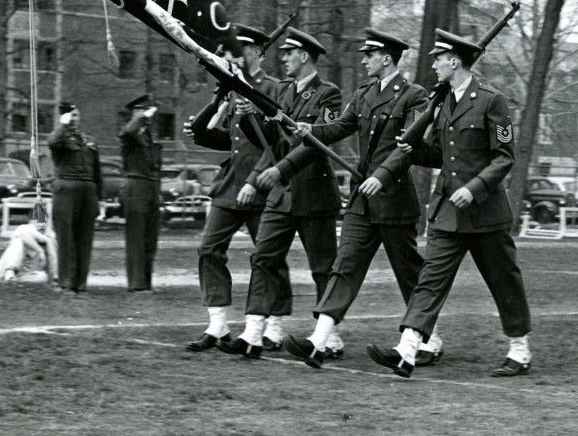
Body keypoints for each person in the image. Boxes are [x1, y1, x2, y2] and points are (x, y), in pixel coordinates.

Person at [367, 29, 532, 379]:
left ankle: (519, 348)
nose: (433, 67)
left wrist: (474, 189)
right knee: (429, 280)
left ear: (454, 61)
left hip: (485, 213)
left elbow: (504, 158)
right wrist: (416, 152)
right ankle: (407, 350)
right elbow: (443, 155)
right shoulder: (441, 102)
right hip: (447, 212)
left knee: (504, 281)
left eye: (437, 60)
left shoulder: (492, 100)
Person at [281, 28, 444, 368]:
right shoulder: (364, 93)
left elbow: (408, 146)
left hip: (394, 198)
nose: (365, 60)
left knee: (409, 274)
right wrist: (312, 130)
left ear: (387, 58)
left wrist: (381, 176)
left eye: (369, 55)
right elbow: (340, 127)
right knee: (345, 267)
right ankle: (318, 341)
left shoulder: (414, 97)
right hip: (361, 200)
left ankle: (429, 339)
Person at [218, 27, 342, 359]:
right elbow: (270, 140)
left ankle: (327, 336)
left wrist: (280, 169)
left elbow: (317, 143)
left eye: (289, 53)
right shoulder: (284, 91)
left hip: (313, 194)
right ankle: (253, 333)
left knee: (322, 267)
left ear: (305, 56)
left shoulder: (328, 94)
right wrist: (248, 120)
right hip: (281, 194)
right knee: (263, 259)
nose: (283, 58)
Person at [182, 24, 278, 350]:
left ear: (257, 53)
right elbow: (224, 140)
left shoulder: (274, 89)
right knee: (208, 248)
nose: (232, 53)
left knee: (266, 258)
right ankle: (218, 325)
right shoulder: (233, 89)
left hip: (261, 186)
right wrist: (215, 102)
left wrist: (254, 181)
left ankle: (266, 327)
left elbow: (276, 144)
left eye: (242, 48)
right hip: (229, 185)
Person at [48, 101, 102, 294]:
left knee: (85, 238)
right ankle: (66, 282)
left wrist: (99, 199)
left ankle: (81, 282)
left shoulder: (89, 140)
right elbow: (53, 142)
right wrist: (63, 124)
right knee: (66, 237)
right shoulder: (59, 138)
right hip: (66, 188)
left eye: (76, 115)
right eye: (71, 115)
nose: (74, 119)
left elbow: (97, 172)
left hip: (87, 191)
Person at [120, 93, 162, 292]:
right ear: (136, 112)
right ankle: (136, 283)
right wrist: (141, 118)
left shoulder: (147, 135)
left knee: (150, 238)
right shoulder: (131, 134)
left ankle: (146, 282)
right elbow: (127, 132)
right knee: (136, 237)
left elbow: (155, 165)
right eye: (144, 110)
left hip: (151, 186)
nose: (149, 115)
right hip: (135, 185)